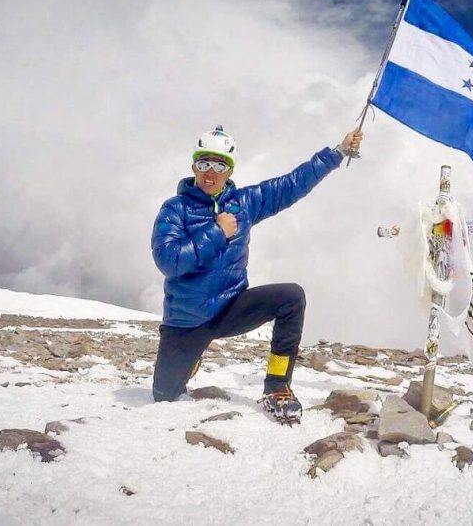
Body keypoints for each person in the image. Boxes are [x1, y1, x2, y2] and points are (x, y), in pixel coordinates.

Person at [150, 125, 363, 423]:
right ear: (194, 166)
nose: (210, 172)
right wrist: (217, 231)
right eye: (204, 163)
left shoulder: (244, 204)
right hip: (187, 321)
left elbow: (291, 185)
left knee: (291, 297)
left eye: (220, 164)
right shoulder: (175, 210)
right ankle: (191, 357)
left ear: (230, 170)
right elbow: (169, 261)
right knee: (164, 396)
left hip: (230, 308)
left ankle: (277, 385)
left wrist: (337, 152)